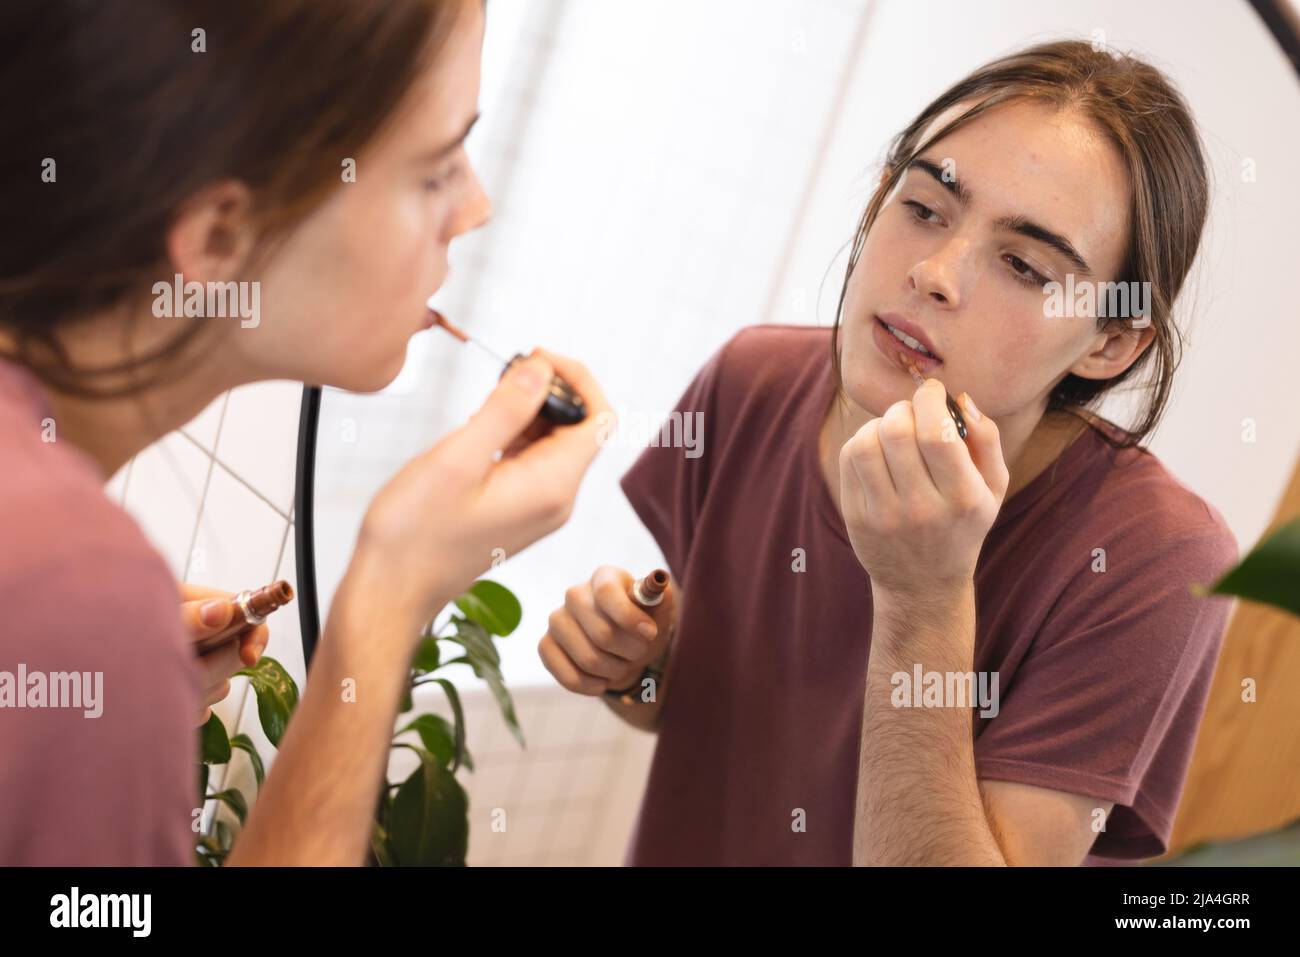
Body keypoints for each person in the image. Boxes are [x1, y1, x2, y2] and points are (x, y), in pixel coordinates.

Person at [540, 39, 1239, 866]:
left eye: (1022, 263)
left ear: (1111, 345)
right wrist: (638, 664)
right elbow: (692, 709)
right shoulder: (751, 381)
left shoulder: (1153, 557)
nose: (937, 273)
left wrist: (926, 600)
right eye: (924, 209)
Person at [0, 0, 609, 865]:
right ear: (218, 237)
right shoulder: (71, 597)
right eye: (438, 167)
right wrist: (389, 594)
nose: (475, 209)